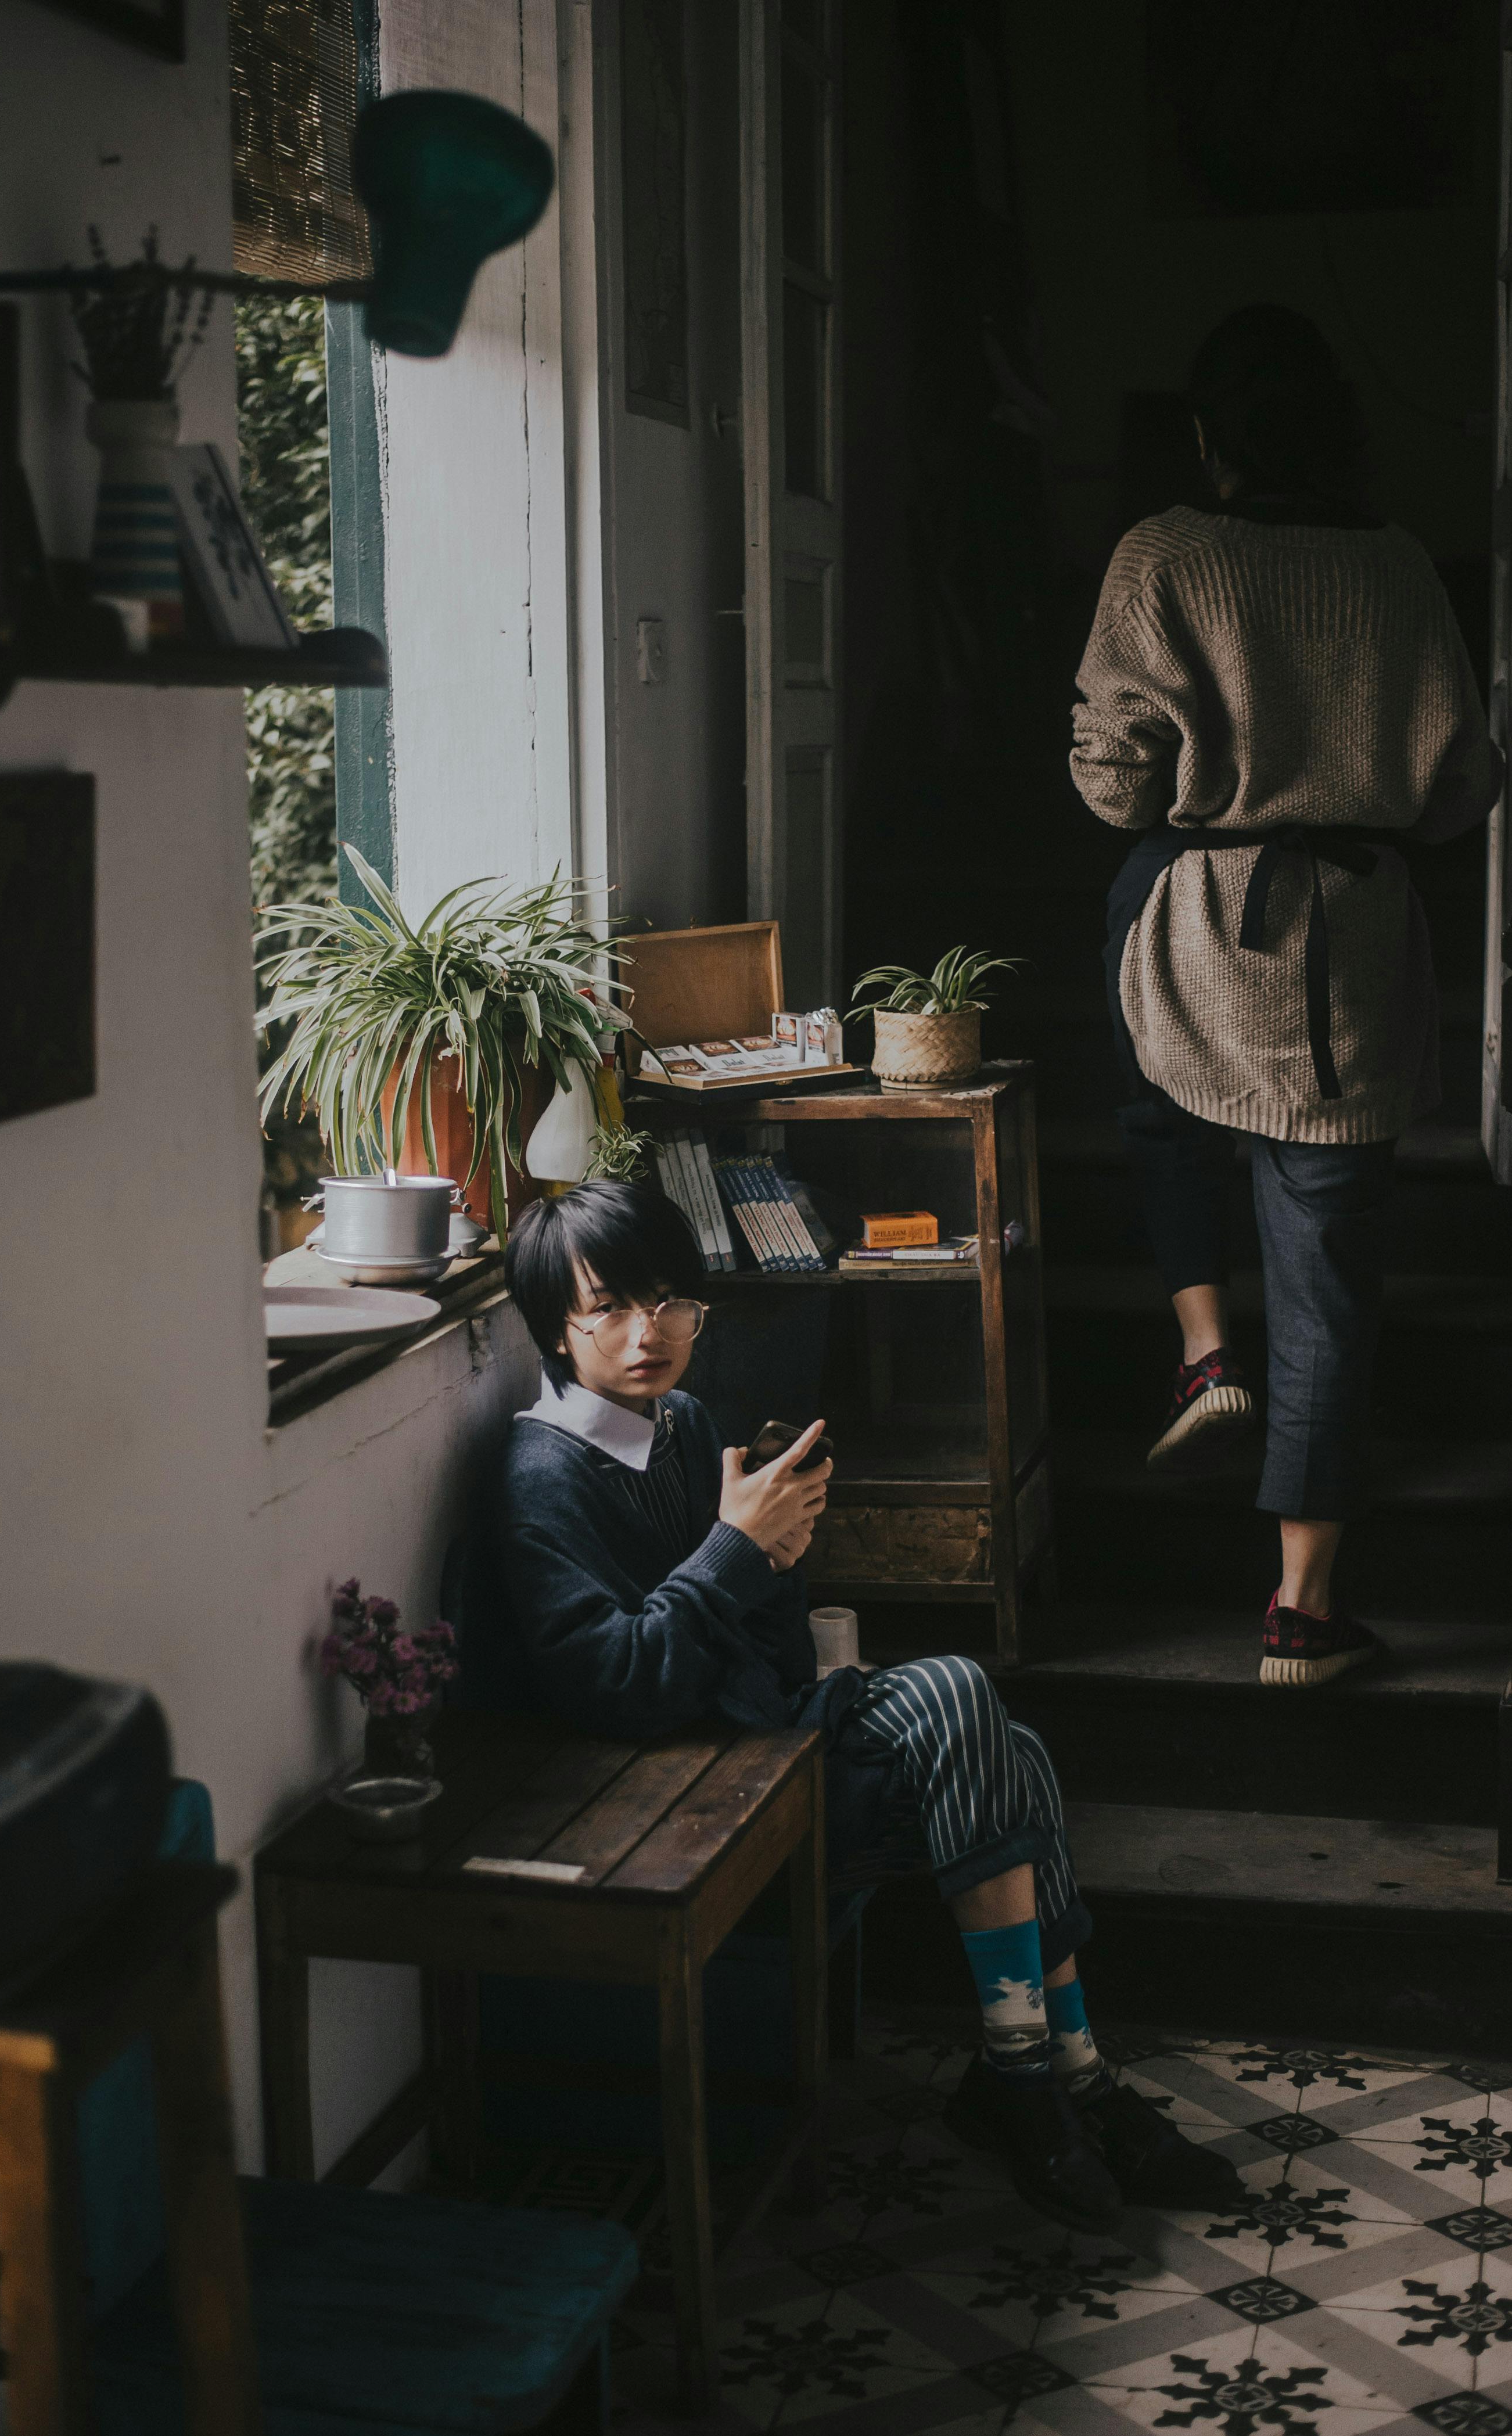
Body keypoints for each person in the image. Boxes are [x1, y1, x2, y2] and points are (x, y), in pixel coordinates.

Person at [458, 1179, 1241, 2233]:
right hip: (668, 1778)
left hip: (756, 1734)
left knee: (1018, 1753)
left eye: (671, 1299)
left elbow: (769, 1650)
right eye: (609, 1307)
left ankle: (1063, 2075)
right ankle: (1040, 2078)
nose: (650, 1332)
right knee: (966, 1697)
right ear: (556, 1320)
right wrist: (735, 1551)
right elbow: (620, 1684)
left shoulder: (686, 1425)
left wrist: (774, 1556)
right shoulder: (538, 1473)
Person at [1071, 304, 1501, 1688]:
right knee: (1327, 1283)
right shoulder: (1398, 570)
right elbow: (1457, 793)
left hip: (1195, 916)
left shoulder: (1163, 554)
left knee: (1157, 1093)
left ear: (1209, 437)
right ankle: (1304, 1613)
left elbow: (1114, 779)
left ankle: (1203, 1348)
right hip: (1355, 945)